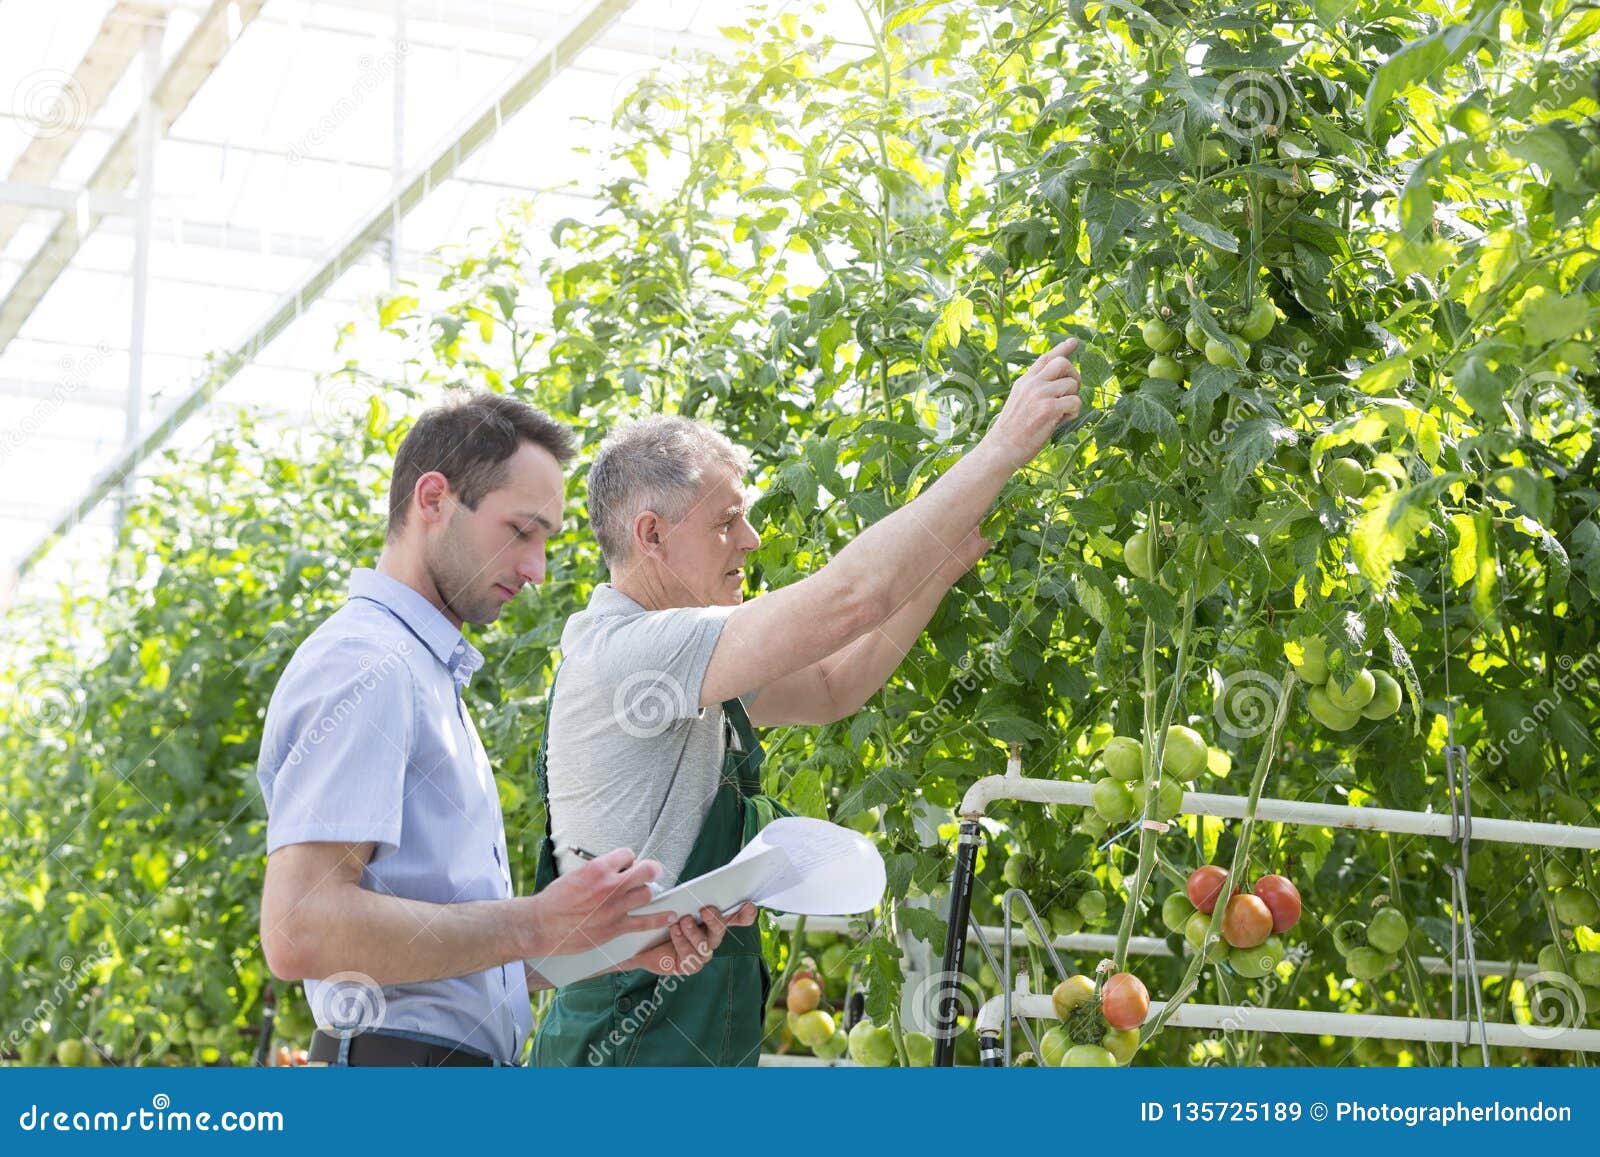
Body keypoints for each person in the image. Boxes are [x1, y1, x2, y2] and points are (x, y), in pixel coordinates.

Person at [531, 338, 1084, 1066]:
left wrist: (941, 564)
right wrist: (1000, 448)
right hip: (621, 1049)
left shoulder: (681, 662)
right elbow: (850, 599)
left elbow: (832, 686)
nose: (751, 540)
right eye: (727, 521)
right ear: (652, 535)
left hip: (688, 1041)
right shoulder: (636, 651)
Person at [256, 391, 754, 1067]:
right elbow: (300, 927)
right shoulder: (367, 664)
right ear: (432, 499)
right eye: (520, 531)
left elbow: (443, 968)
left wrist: (607, 941)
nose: (536, 569)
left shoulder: (426, 676)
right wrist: (536, 919)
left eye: (546, 539)